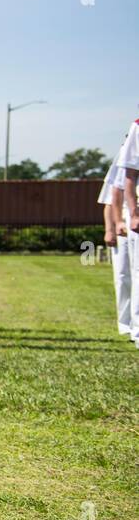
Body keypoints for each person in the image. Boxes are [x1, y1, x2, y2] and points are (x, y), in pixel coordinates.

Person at [100, 144, 129, 337]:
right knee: (123, 276)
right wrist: (109, 230)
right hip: (125, 224)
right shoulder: (120, 161)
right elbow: (109, 201)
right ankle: (126, 324)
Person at [118, 115, 139, 348]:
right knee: (135, 273)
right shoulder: (138, 126)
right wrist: (132, 214)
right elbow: (128, 177)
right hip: (137, 213)